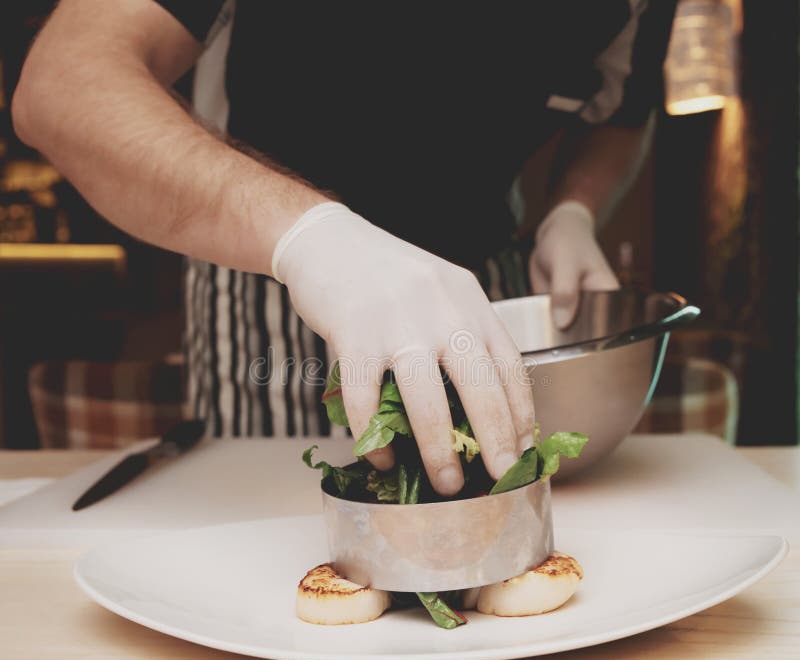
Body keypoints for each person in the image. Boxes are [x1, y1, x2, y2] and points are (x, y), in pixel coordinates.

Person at [12, 0, 676, 495]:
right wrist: (314, 239)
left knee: (490, 507)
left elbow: (623, 111)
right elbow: (64, 86)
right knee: (279, 529)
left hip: (482, 280)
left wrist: (573, 209)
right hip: (273, 276)